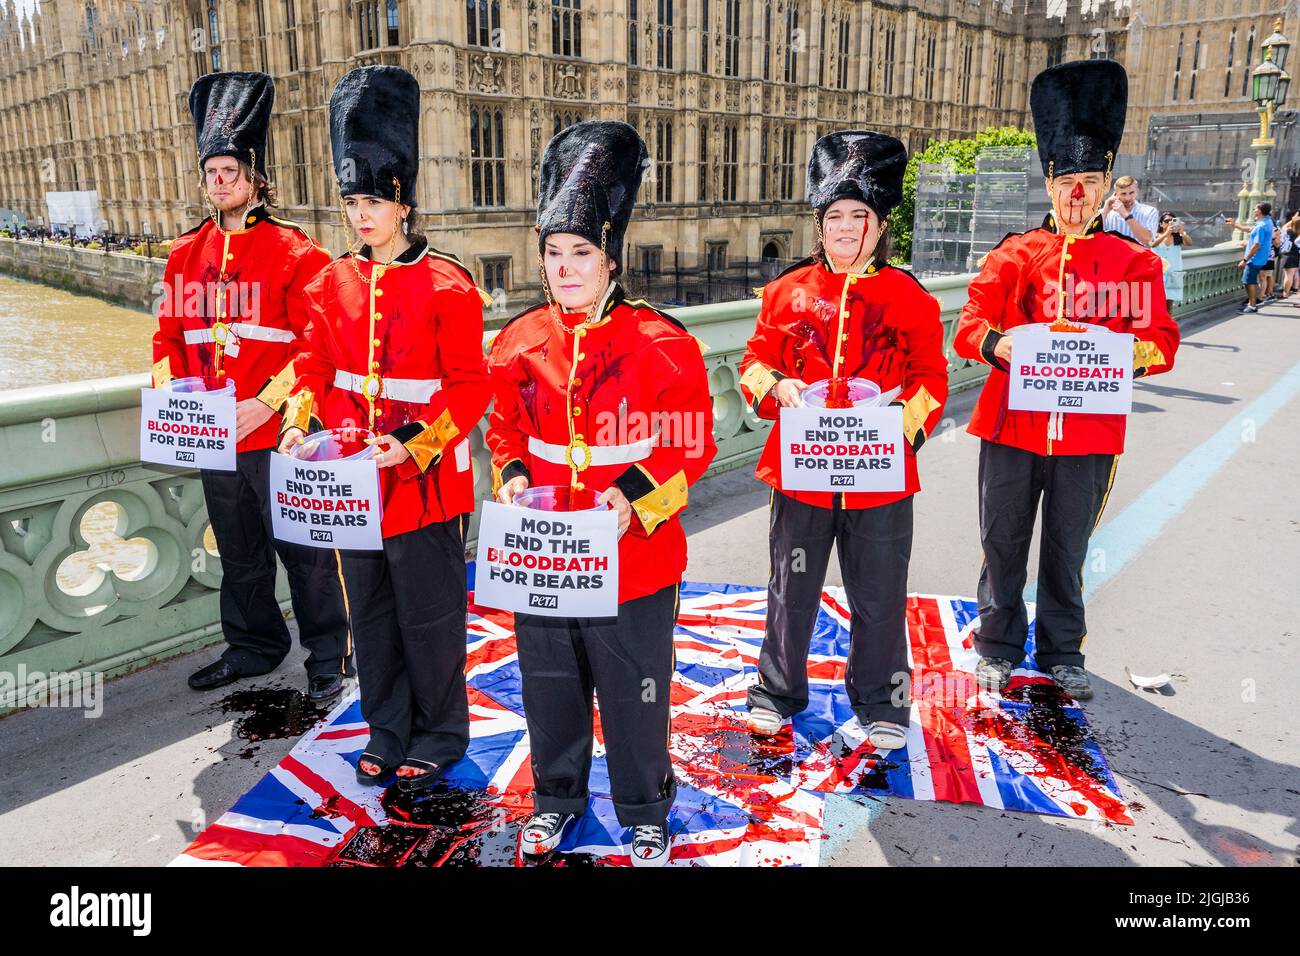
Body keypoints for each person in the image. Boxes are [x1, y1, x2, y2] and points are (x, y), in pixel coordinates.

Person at [486, 120, 716, 866]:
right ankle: (556, 798)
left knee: (635, 689)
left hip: (635, 554)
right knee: (549, 682)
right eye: (553, 253)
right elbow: (504, 434)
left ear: (610, 258)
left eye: (579, 253)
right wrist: (515, 479)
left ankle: (645, 806)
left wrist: (631, 498)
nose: (564, 268)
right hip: (547, 552)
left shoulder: (663, 343)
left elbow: (691, 446)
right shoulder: (518, 341)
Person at [278, 66, 493, 792]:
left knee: (430, 619)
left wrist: (411, 443)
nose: (360, 215)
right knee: (369, 614)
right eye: (350, 202)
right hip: (350, 482)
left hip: (425, 484)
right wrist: (300, 422)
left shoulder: (450, 285)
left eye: (372, 201)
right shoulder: (328, 282)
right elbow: (312, 367)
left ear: (402, 205)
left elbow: (471, 389)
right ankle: (387, 728)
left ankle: (440, 731)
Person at [952, 59, 1181, 702]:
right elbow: (966, 330)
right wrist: (1005, 344)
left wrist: (1116, 350)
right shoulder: (1015, 253)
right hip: (1009, 427)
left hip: (1089, 433)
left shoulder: (1134, 263)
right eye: (1067, 181)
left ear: (1107, 183)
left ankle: (1061, 649)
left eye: (1090, 180)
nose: (1077, 193)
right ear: (1050, 184)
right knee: (1001, 541)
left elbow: (1162, 343)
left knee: (1067, 546)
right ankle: (996, 642)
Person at [737, 131, 949, 751]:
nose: (847, 228)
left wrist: (897, 432)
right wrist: (778, 388)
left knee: (879, 591)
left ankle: (883, 700)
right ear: (820, 223)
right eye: (835, 216)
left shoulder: (909, 296)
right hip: (800, 471)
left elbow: (932, 382)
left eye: (860, 216)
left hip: (878, 474)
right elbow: (753, 363)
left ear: (880, 225)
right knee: (790, 585)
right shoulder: (785, 292)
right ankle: (776, 691)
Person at [153, 71, 351, 702]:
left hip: (280, 433)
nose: (220, 181)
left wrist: (263, 404)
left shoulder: (298, 253)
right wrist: (179, 396)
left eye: (231, 170)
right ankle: (253, 647)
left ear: (256, 176)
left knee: (305, 552)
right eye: (211, 171)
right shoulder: (184, 255)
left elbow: (316, 347)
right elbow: (168, 340)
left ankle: (328, 654)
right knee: (237, 550)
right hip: (213, 434)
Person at [1226, 202, 1275, 312]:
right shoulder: (1267, 222)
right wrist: (1234, 225)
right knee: (1251, 280)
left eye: (1255, 209)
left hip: (1254, 259)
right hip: (1261, 258)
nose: (1253, 210)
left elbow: (1257, 245)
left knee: (1248, 281)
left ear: (1260, 211)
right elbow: (1249, 230)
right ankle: (1254, 301)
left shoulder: (1261, 226)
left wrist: (1244, 260)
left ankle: (1252, 305)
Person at [1101, 175, 1158, 246]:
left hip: (1138, 256)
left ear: (1137, 191)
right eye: (1123, 194)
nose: (1127, 198)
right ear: (1115, 194)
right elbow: (1092, 237)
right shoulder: (1104, 213)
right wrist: (1105, 211)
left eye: (1131, 193)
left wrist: (1126, 215)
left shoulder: (1149, 211)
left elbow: (1148, 239)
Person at [1151, 212, 1192, 304]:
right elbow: (1153, 245)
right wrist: (1166, 234)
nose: (1170, 223)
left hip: (1173, 275)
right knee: (1156, 303)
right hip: (1158, 274)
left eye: (1172, 221)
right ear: (1161, 224)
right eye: (1166, 221)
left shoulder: (1178, 237)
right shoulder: (1155, 235)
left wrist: (1182, 232)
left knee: (1169, 305)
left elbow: (1189, 243)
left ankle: (1168, 319)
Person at [1279, 210, 1300, 301]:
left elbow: (1284, 226)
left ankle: (1285, 293)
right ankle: (1293, 289)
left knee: (1288, 275)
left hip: (1289, 255)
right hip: (1297, 255)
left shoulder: (1289, 231)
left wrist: (1293, 219)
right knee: (1294, 274)